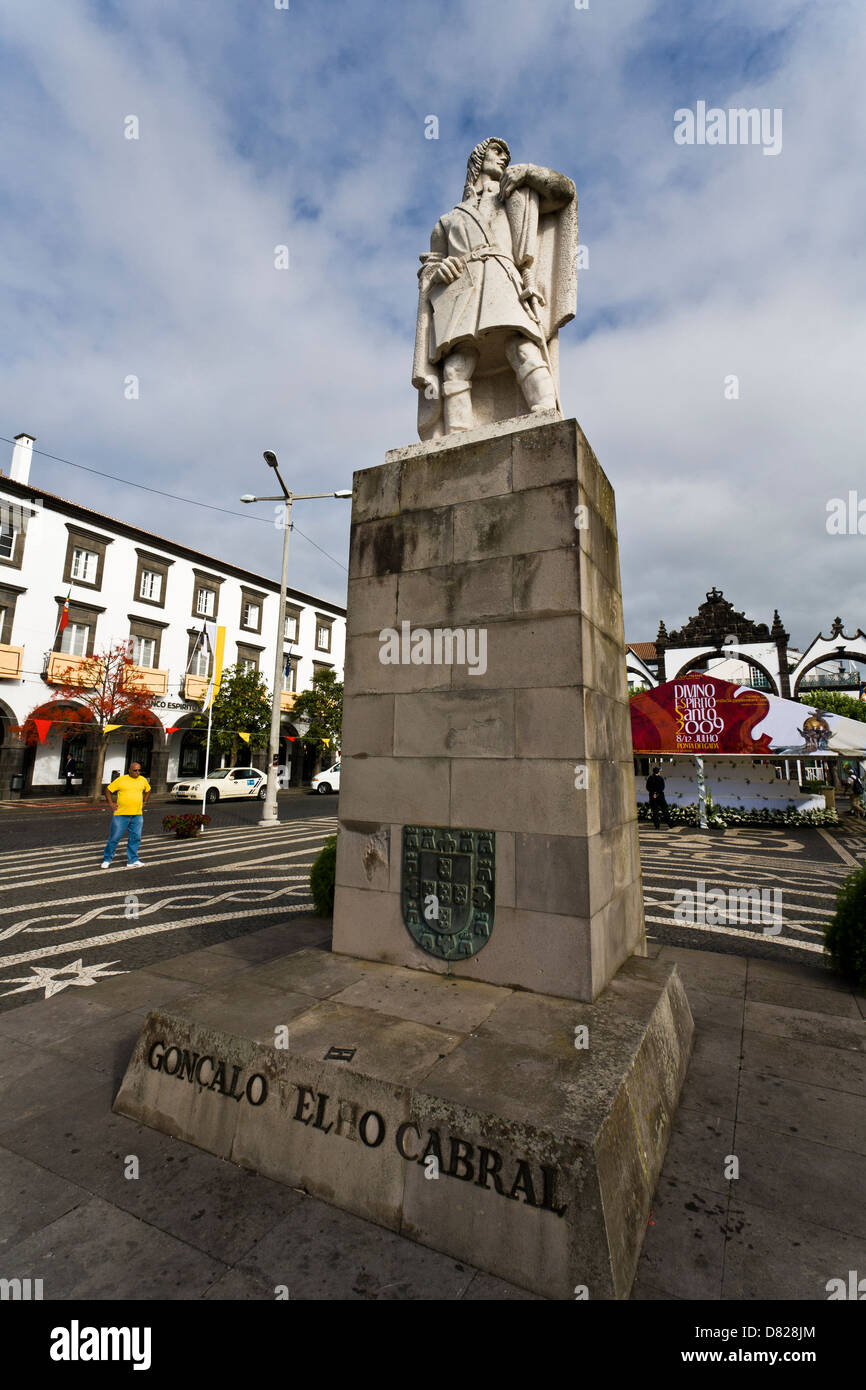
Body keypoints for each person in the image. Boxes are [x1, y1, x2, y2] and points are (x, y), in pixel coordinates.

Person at [413, 137, 577, 437]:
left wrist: (528, 172)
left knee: (521, 346)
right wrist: (438, 272)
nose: (504, 158)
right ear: (478, 159)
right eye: (497, 151)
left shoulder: (516, 197)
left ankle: (545, 413)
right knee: (456, 364)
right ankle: (457, 435)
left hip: (502, 277)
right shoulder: (447, 221)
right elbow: (429, 267)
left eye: (507, 156)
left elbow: (565, 193)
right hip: (461, 288)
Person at [102, 762, 150, 868]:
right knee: (114, 838)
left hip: (137, 814)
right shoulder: (121, 780)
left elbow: (148, 790)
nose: (137, 772)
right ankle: (107, 859)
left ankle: (132, 860)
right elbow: (108, 790)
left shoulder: (143, 780)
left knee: (135, 838)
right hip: (121, 814)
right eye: (135, 770)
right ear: (129, 770)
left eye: (139, 770)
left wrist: (145, 802)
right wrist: (110, 803)